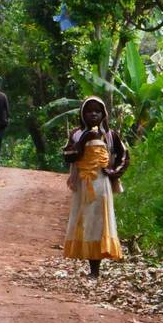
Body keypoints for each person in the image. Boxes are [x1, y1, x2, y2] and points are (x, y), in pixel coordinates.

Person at [62, 97, 128, 279]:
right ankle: (90, 263)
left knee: (99, 222)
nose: (93, 114)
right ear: (82, 114)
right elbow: (68, 155)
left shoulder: (110, 135)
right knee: (86, 222)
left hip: (102, 185)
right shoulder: (76, 134)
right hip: (83, 184)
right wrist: (84, 140)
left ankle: (95, 269)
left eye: (97, 111)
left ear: (103, 115)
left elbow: (124, 156)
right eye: (89, 111)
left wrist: (114, 172)